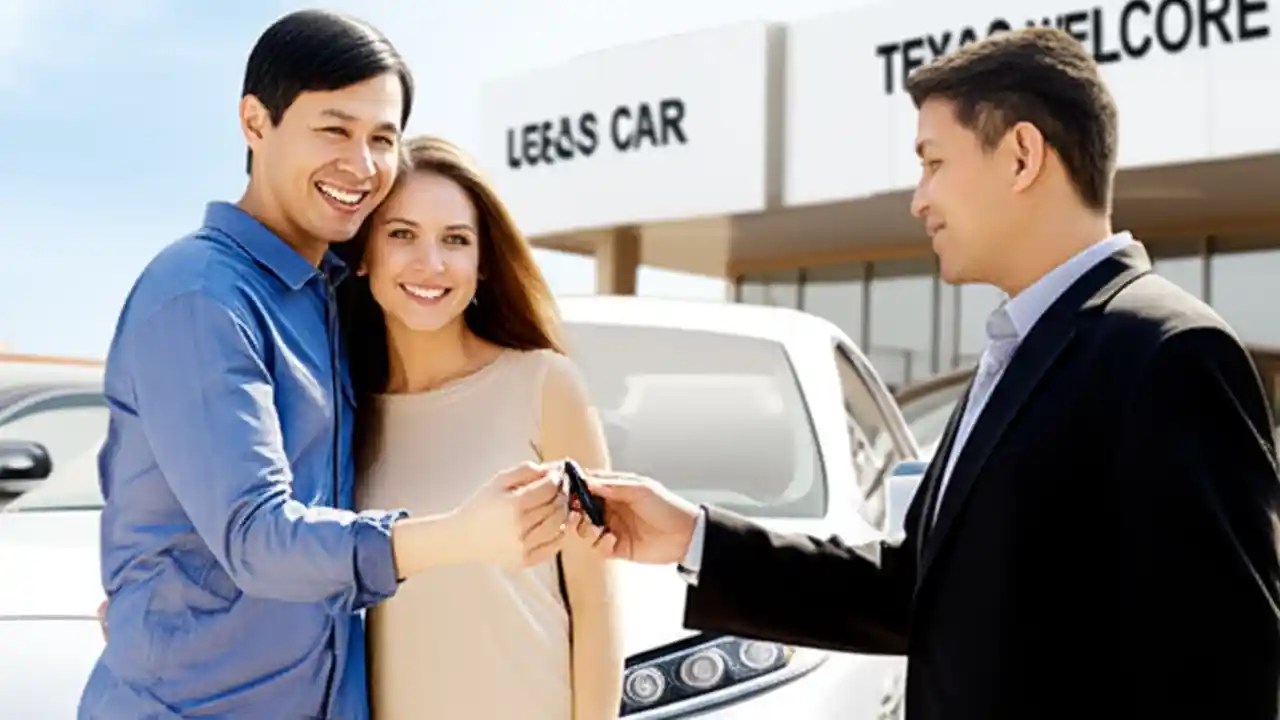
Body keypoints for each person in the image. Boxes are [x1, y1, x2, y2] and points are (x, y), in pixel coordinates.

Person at [576, 26, 1280, 720]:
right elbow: (915, 591)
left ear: (1022, 156)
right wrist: (692, 535)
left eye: (934, 162)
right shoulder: (1019, 351)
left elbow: (1222, 678)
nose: (919, 199)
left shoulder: (1169, 354)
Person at [80, 11, 568, 720]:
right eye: (334, 130)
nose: (362, 165)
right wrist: (462, 535)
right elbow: (257, 537)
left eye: (382, 138)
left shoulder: (338, 294)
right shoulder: (200, 297)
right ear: (255, 122)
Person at [334, 135, 624, 719]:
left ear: (483, 261)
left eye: (456, 240)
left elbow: (597, 602)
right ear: (363, 252)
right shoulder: (342, 412)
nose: (431, 263)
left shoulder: (545, 385)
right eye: (402, 234)